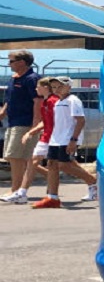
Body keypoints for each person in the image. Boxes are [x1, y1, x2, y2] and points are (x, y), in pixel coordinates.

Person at [31, 77, 98, 209]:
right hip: (56, 139)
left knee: (64, 165)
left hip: (68, 139)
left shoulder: (73, 100)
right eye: (54, 87)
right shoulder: (57, 102)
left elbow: (80, 121)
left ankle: (92, 181)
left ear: (68, 87)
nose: (57, 89)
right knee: (51, 165)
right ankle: (52, 197)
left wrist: (73, 140)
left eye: (60, 86)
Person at [2, 77, 58, 204]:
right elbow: (45, 121)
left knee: (66, 165)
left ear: (45, 87)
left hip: (55, 138)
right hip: (46, 137)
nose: (35, 89)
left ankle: (91, 181)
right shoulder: (46, 101)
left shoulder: (53, 102)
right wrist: (31, 132)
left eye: (38, 86)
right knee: (32, 162)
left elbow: (59, 121)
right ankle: (22, 193)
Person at [0, 49, 40, 202]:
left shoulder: (31, 78)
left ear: (22, 62)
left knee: (15, 157)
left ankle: (16, 191)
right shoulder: (14, 78)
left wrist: (35, 125)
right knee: (21, 158)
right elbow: (8, 101)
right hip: (12, 122)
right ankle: (18, 189)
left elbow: (38, 101)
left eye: (11, 61)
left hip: (25, 123)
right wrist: (2, 114)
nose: (8, 64)